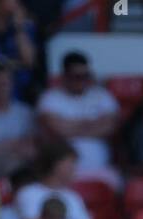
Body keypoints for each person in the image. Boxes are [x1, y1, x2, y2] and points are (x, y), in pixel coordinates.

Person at [35, 51, 120, 185]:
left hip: (101, 170)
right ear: (65, 76)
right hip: (61, 175)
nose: (82, 80)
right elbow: (57, 130)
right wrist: (92, 124)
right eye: (77, 76)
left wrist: (70, 125)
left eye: (86, 75)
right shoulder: (50, 98)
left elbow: (110, 126)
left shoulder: (102, 95)